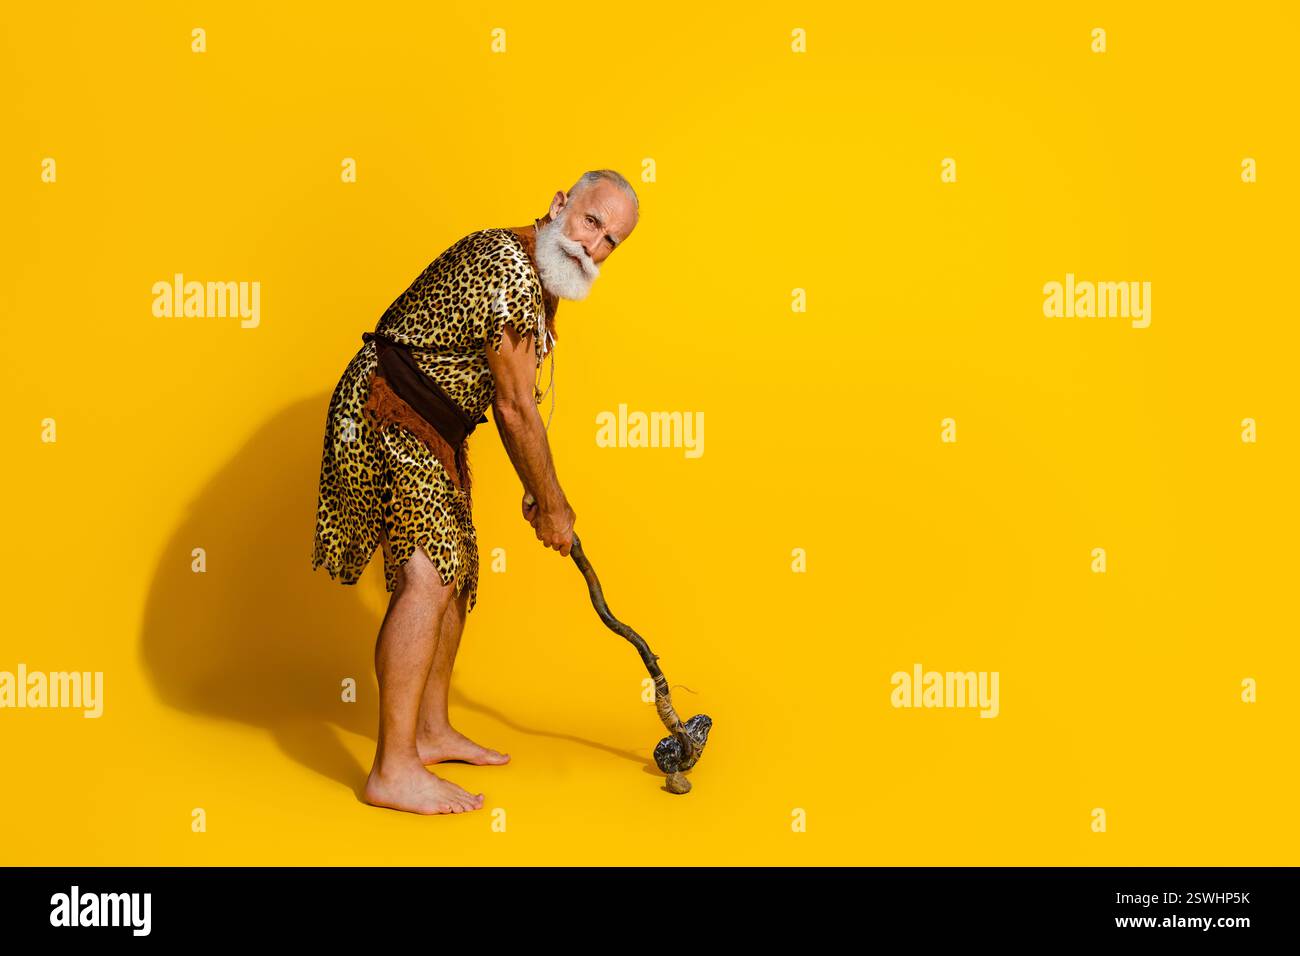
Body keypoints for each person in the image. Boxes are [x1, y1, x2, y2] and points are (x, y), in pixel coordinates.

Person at [311, 170, 639, 814]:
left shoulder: (535, 277)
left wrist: (536, 484)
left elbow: (511, 397)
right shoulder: (511, 272)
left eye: (610, 241)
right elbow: (516, 408)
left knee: (457, 574)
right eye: (590, 221)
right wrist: (553, 505)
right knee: (427, 577)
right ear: (558, 206)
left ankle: (428, 732)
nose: (593, 245)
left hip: (435, 427)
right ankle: (392, 768)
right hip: (387, 410)